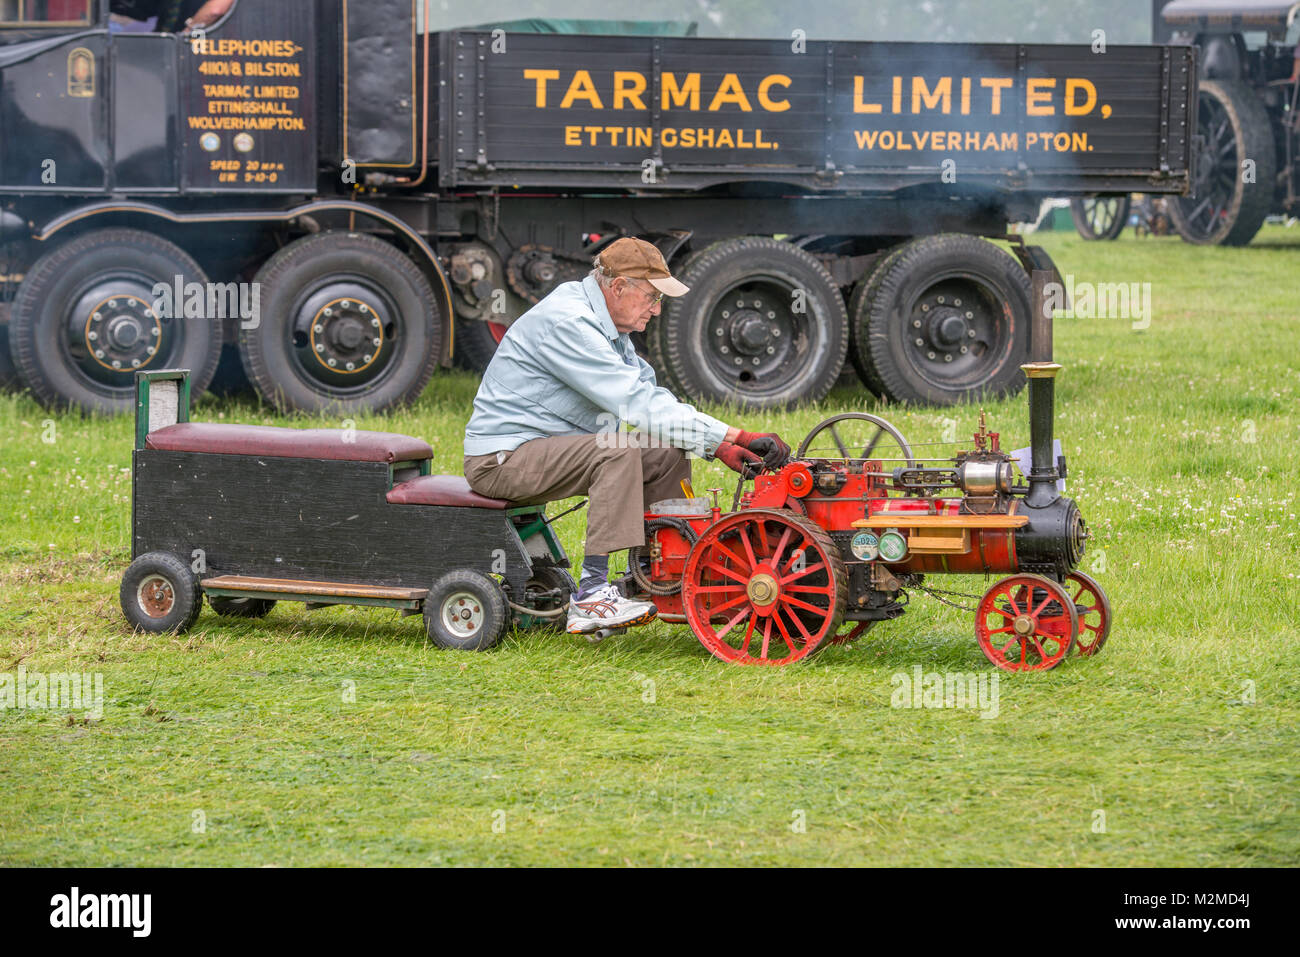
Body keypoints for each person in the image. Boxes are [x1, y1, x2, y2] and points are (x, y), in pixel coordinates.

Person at [463, 237, 790, 636]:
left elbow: (651, 396)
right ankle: (592, 596)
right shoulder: (570, 322)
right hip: (502, 461)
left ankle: (659, 576)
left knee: (669, 448)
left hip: (541, 451)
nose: (656, 309)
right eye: (651, 297)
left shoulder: (604, 321)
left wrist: (719, 445)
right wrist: (739, 434)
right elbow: (635, 404)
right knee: (616, 451)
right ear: (617, 287)